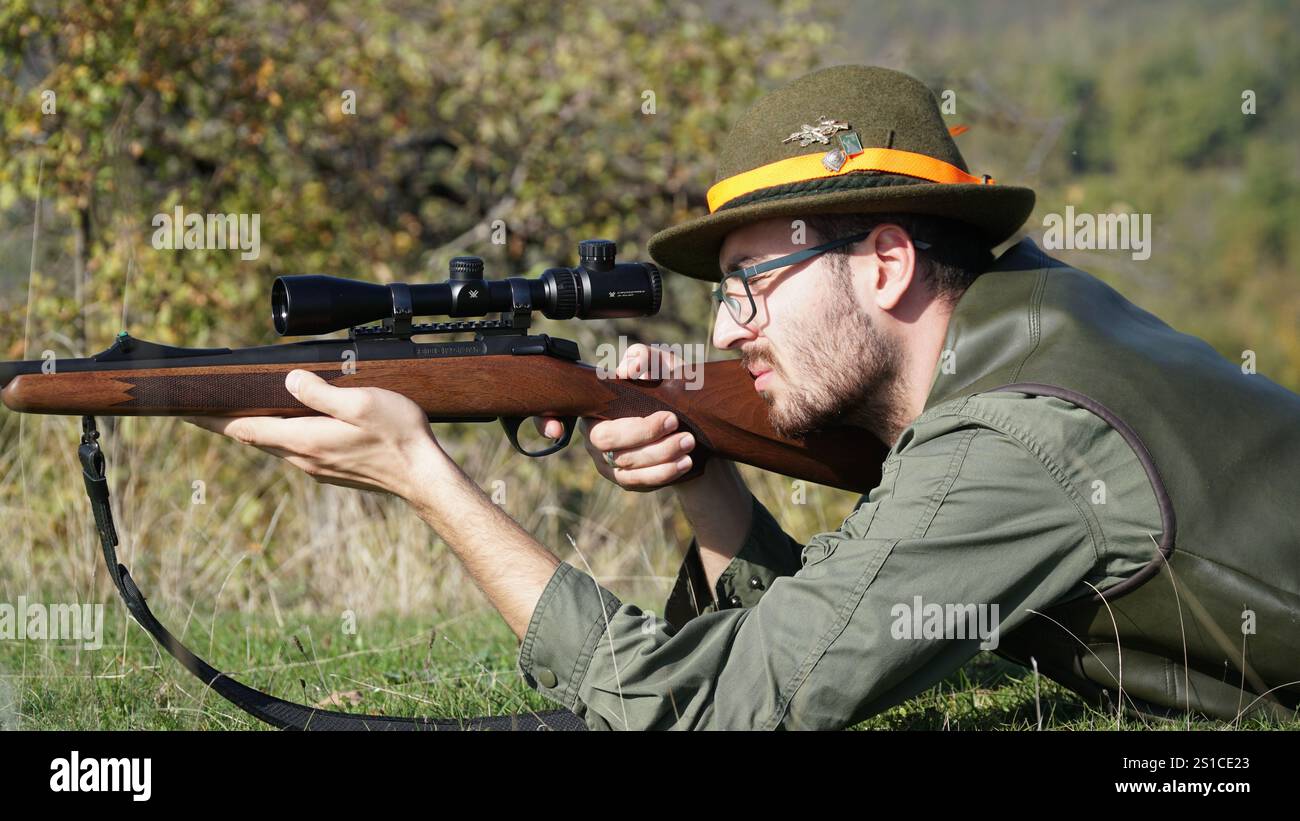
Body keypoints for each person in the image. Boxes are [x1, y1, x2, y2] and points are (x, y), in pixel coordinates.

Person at [188, 65, 1300, 729]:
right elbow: (828, 626)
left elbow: (722, 715)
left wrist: (427, 481)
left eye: (749, 283)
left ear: (884, 264)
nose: (725, 329)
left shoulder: (1014, 440)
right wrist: (707, 485)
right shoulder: (1040, 319)